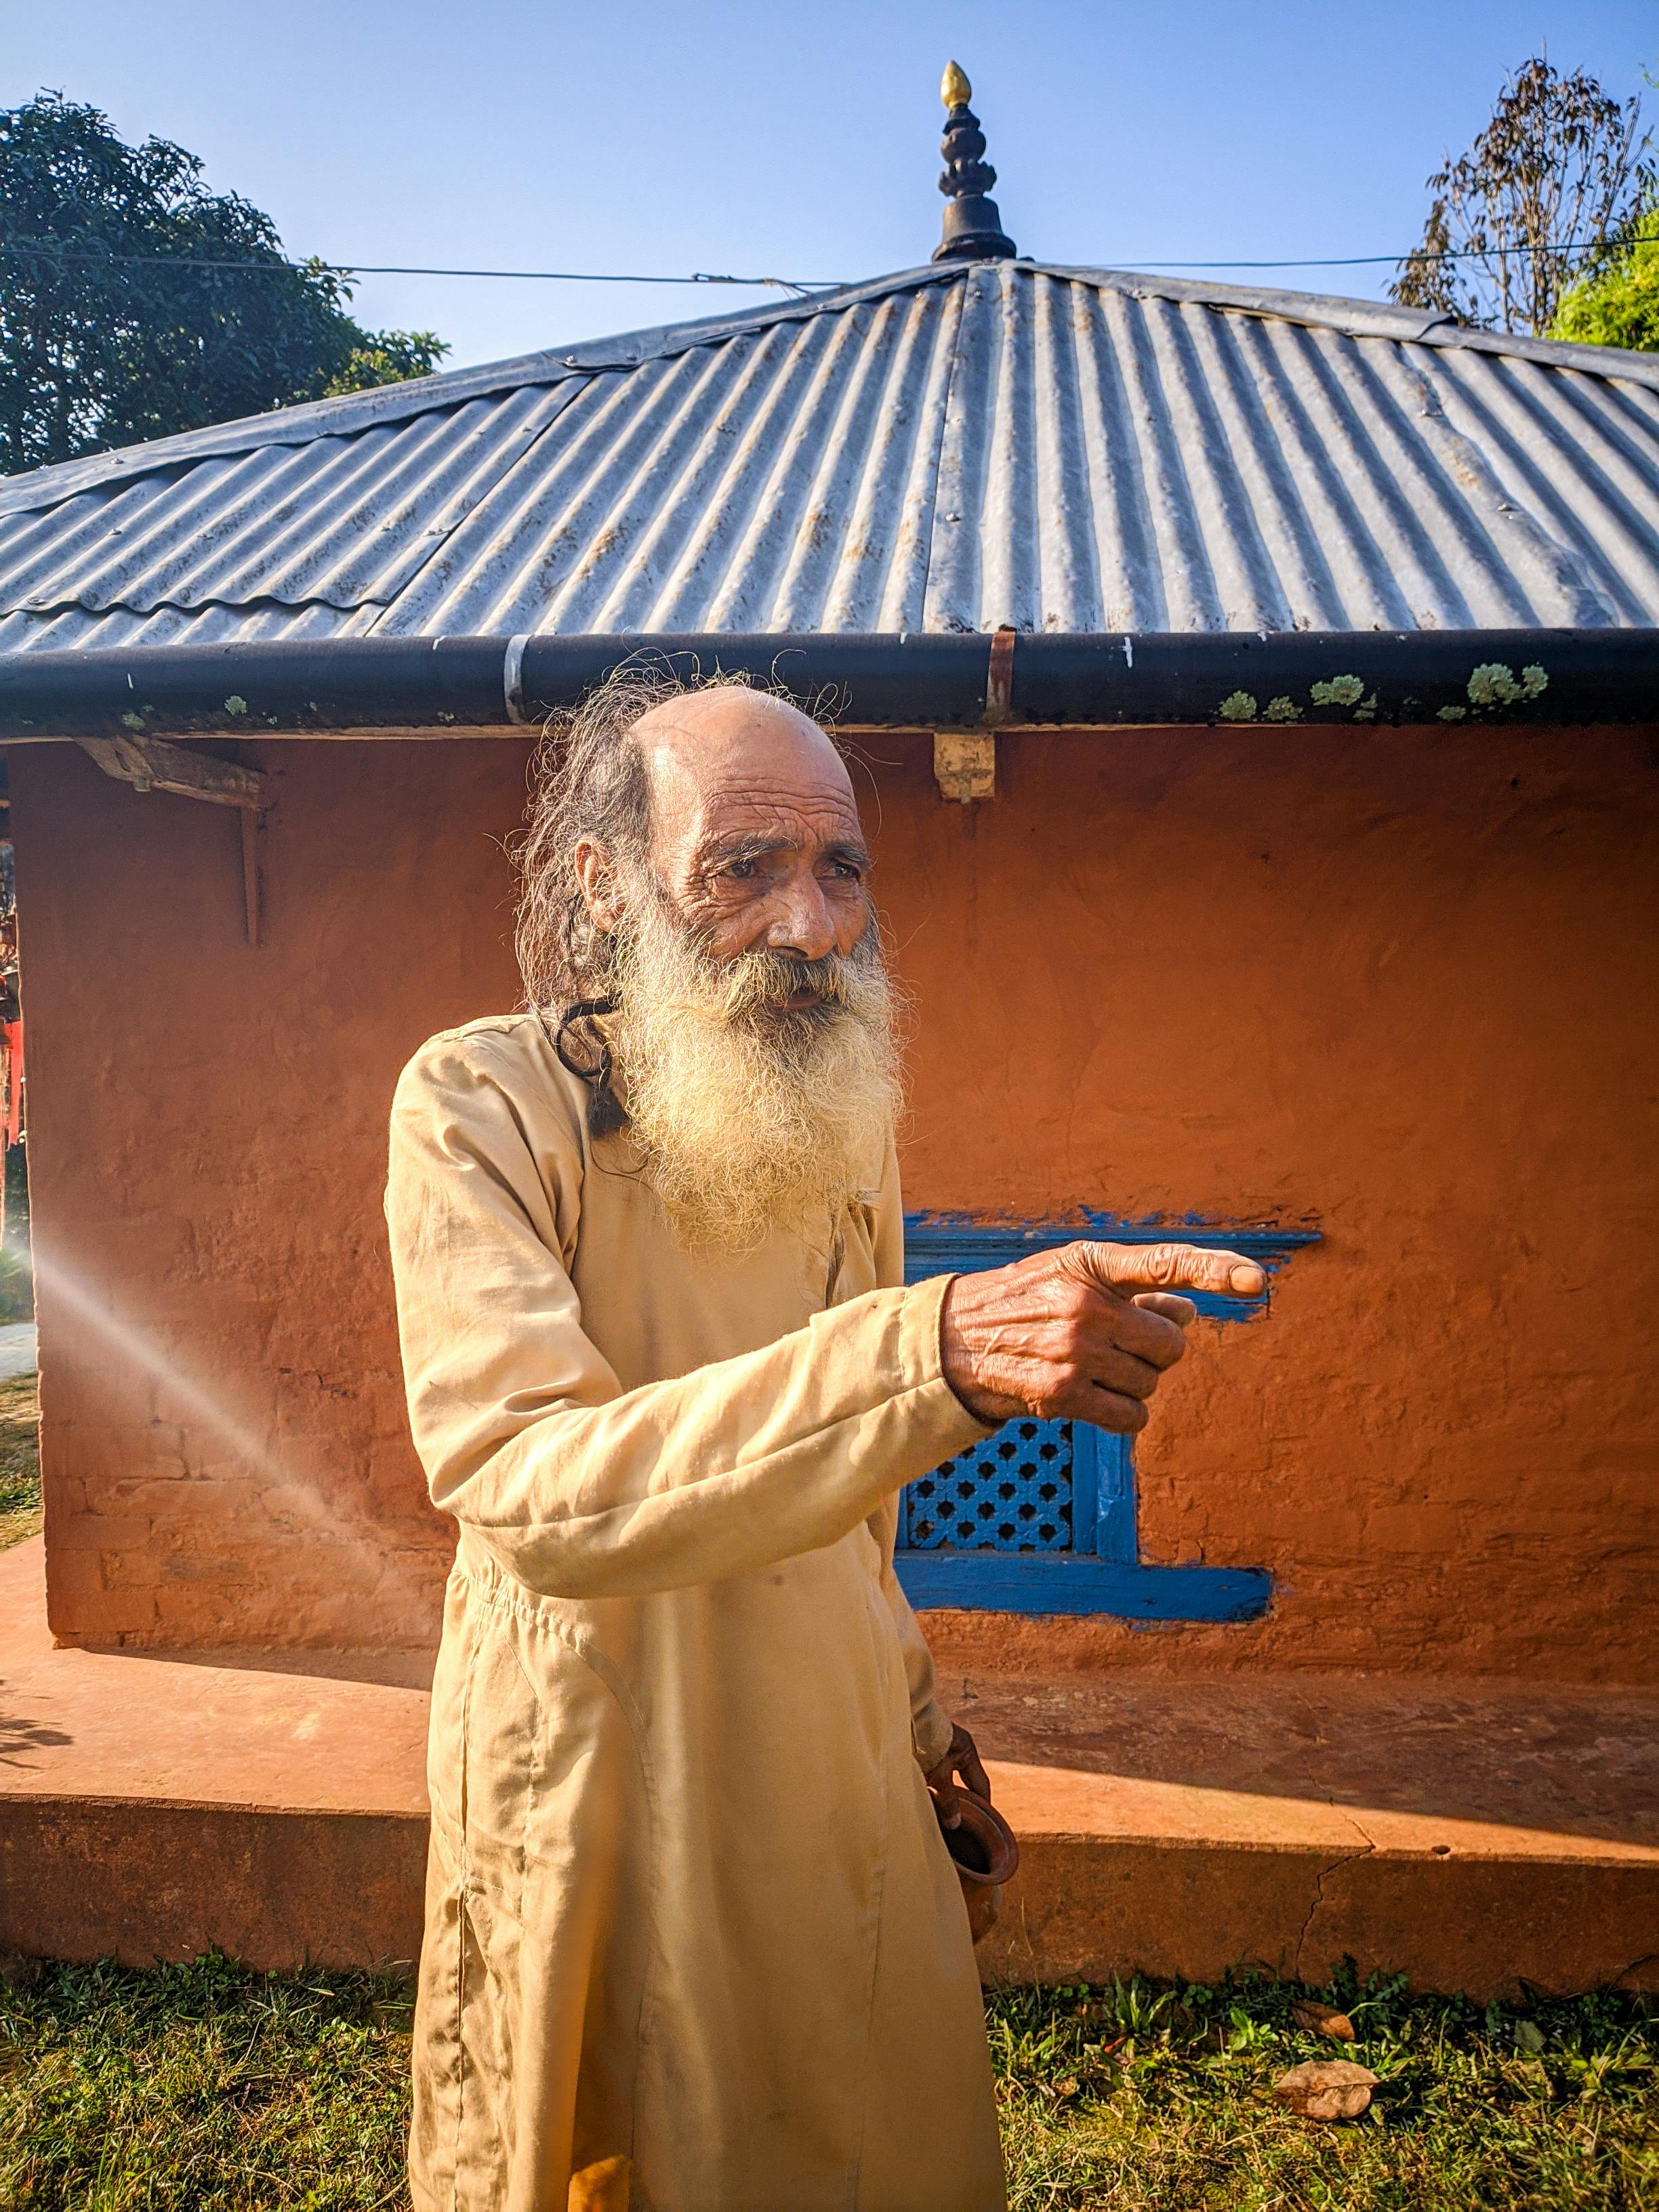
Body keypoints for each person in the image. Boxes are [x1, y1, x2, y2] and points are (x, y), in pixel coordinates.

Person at [385, 672, 1267, 2212]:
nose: (809, 925)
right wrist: (932, 1345)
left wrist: (922, 1729)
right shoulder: (481, 1103)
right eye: (745, 868)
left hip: (837, 1753)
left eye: (840, 867)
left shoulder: (833, 1107)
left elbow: (857, 1498)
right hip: (606, 1770)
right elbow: (528, 1487)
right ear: (606, 884)